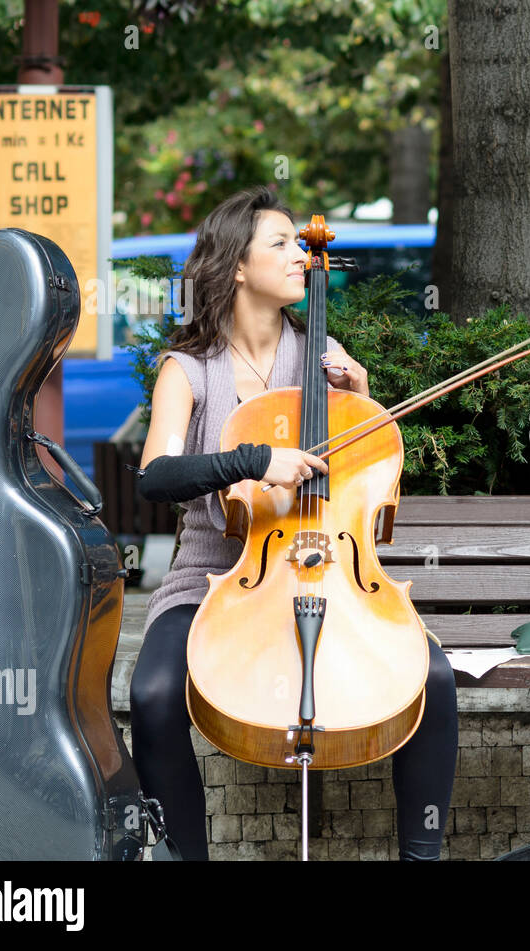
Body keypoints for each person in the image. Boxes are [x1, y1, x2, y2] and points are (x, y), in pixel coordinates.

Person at [130, 186, 457, 860]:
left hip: (331, 570)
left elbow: (362, 481)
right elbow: (154, 476)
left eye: (298, 243)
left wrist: (363, 408)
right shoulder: (188, 371)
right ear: (237, 266)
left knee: (434, 679)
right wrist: (254, 458)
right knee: (155, 692)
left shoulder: (321, 353)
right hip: (215, 578)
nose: (300, 256)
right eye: (279, 243)